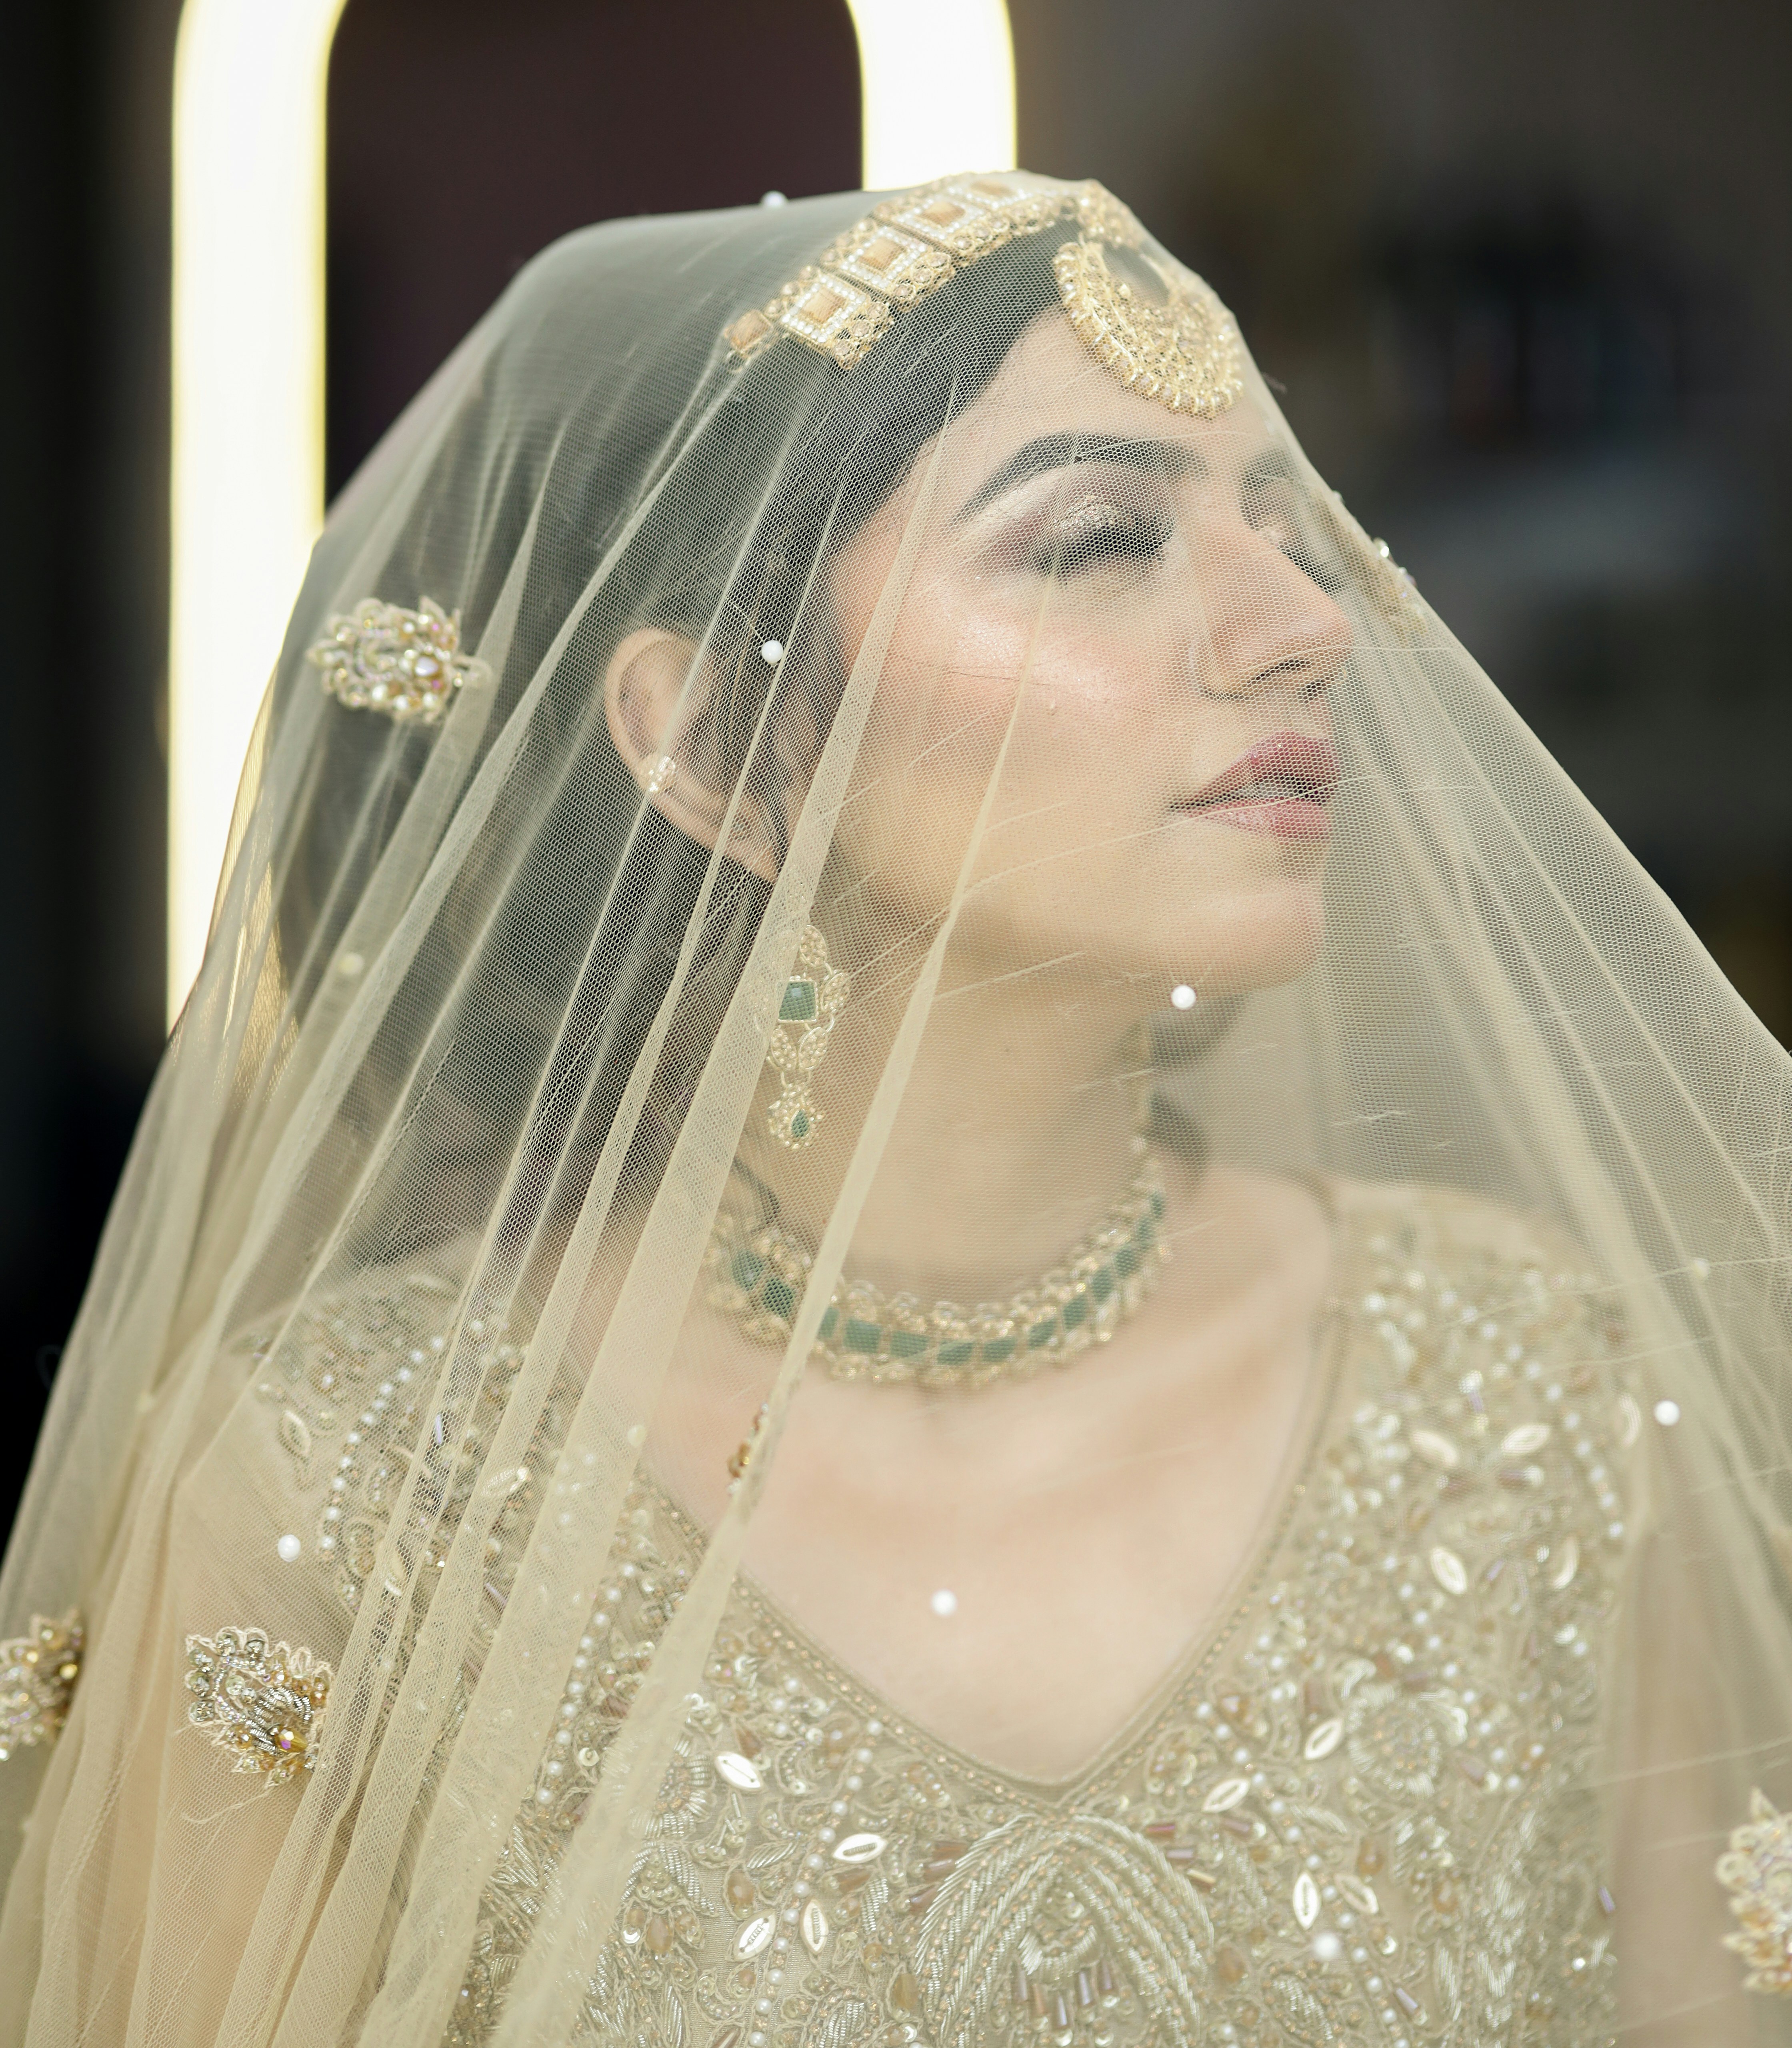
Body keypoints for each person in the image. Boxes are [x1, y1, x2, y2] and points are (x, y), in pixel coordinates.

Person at [0, 170, 1787, 2048]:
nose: (1300, 622)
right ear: (711, 740)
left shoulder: (1525, 1393)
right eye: (1098, 536)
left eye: (1289, 526)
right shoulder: (343, 1492)